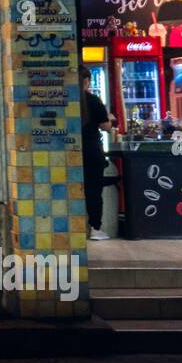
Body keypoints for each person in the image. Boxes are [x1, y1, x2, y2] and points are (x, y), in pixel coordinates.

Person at [80, 66, 113, 240]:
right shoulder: (93, 100)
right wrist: (110, 119)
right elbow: (105, 126)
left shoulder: (69, 99)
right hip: (92, 151)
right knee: (94, 191)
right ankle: (95, 228)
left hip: (75, 152)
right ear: (86, 81)